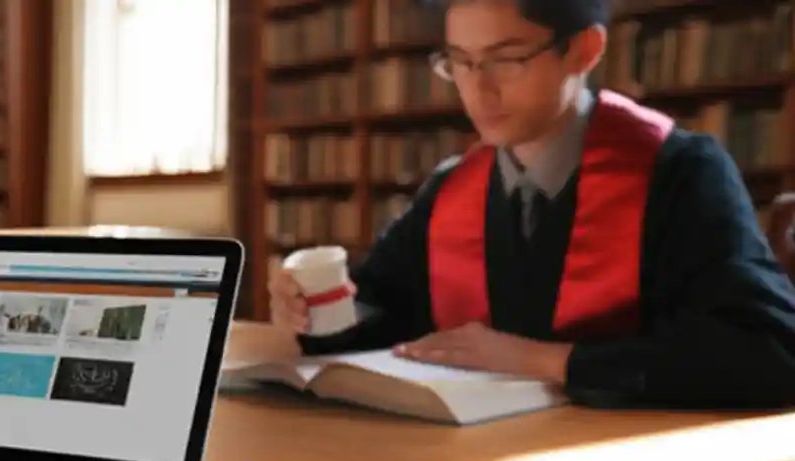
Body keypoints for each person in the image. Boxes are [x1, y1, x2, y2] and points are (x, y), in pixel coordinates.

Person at [270, 0, 795, 409]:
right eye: (460, 62)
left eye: (506, 59)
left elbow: (770, 353)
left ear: (584, 50)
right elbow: (386, 315)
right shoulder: (453, 188)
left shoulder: (680, 173)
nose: (479, 89)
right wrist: (318, 311)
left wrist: (547, 361)